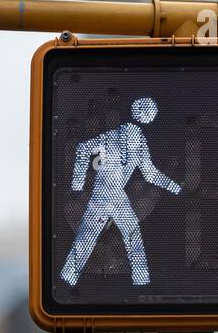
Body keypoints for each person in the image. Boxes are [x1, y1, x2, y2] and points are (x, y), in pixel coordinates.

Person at [60, 97, 182, 288]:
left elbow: (150, 172)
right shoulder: (139, 206)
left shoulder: (77, 212)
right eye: (119, 251)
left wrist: (174, 186)